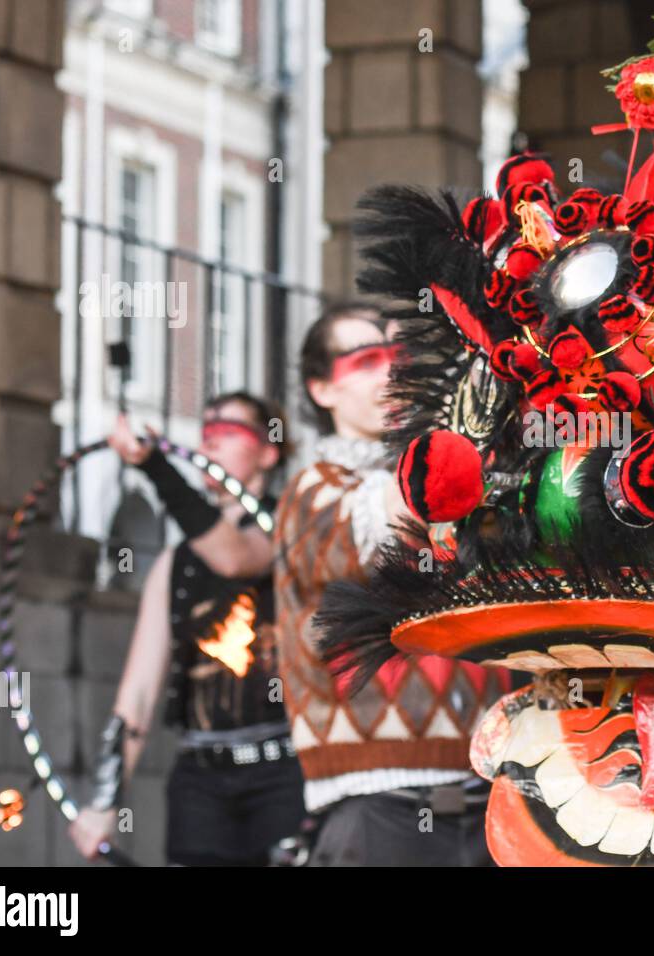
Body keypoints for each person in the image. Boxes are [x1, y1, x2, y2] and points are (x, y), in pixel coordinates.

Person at [274, 301, 508, 866]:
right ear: (321, 389)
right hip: (377, 806)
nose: (391, 372)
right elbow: (387, 522)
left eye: (399, 357)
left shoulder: (453, 472)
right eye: (365, 359)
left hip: (487, 795)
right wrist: (460, 406)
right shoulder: (313, 488)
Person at [69, 392, 305, 866]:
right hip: (201, 780)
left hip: (284, 773)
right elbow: (137, 692)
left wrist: (156, 466)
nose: (211, 441)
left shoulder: (292, 528)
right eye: (206, 431)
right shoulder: (174, 566)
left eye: (230, 432)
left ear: (268, 451)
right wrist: (105, 800)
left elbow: (236, 556)